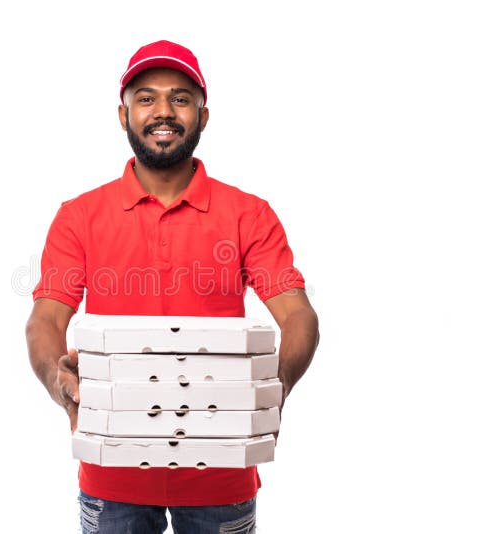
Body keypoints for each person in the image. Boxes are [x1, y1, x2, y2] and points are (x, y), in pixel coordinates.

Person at [26, 40, 319, 534]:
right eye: (146, 97)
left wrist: (276, 389)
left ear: (204, 115)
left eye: (181, 98)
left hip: (221, 475)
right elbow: (46, 319)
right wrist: (61, 386)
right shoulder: (79, 216)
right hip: (111, 471)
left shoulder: (249, 214)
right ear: (123, 114)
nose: (164, 111)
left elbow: (298, 316)